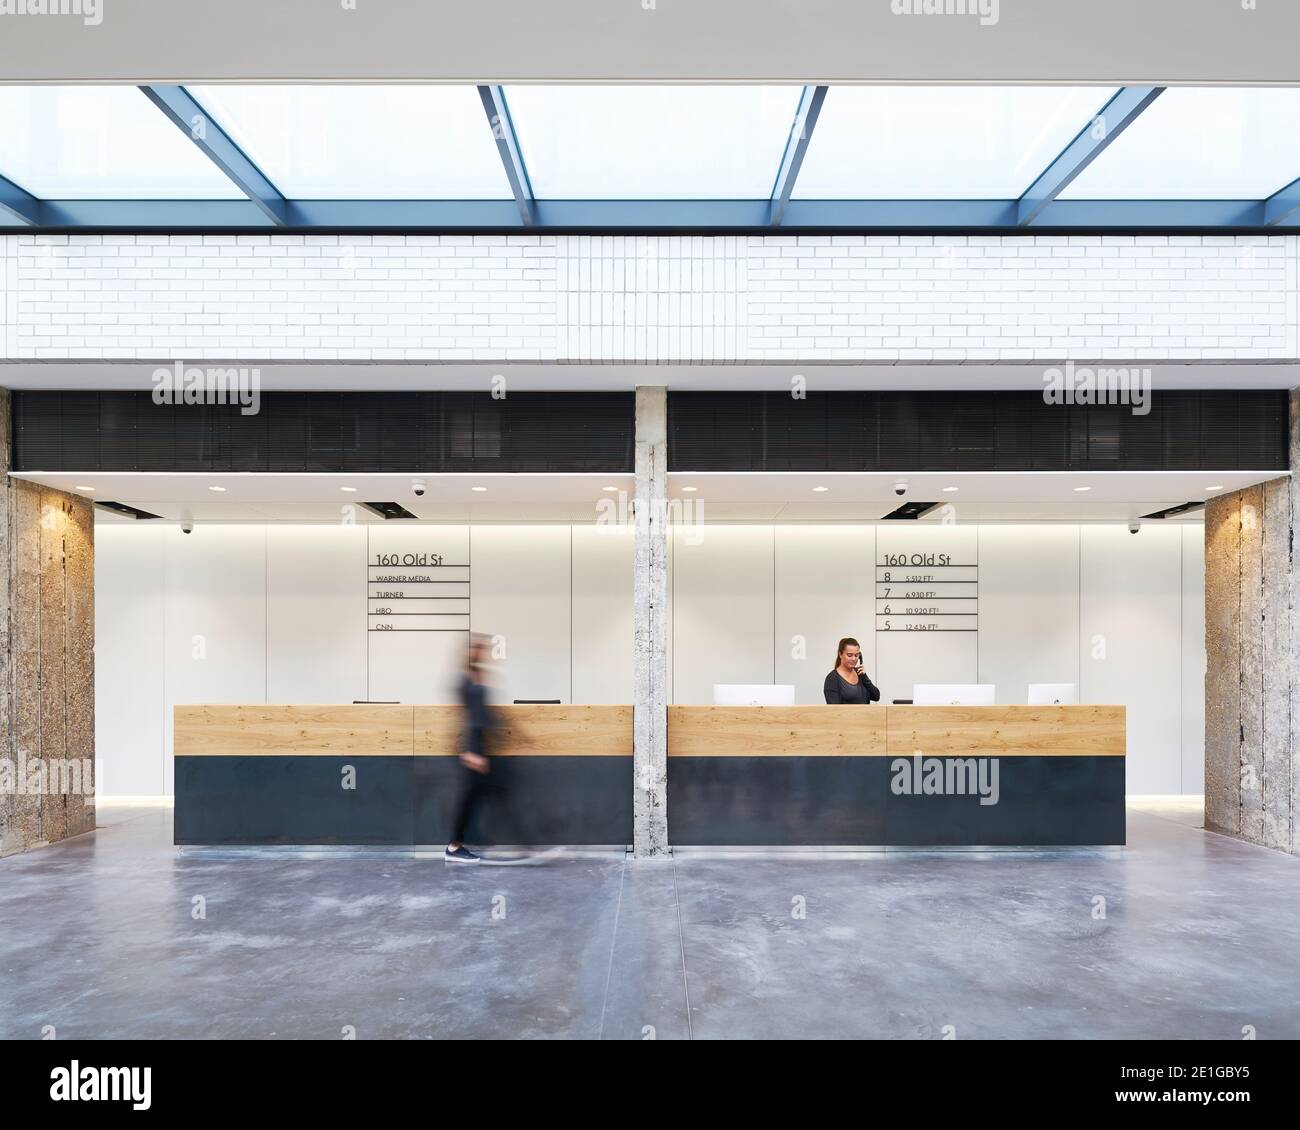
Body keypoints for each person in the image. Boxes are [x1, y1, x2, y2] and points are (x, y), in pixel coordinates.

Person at [445, 633, 497, 863]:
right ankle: (454, 848)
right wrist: (468, 753)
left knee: (475, 797)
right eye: (477, 649)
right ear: (468, 652)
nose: (481, 653)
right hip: (471, 748)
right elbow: (465, 717)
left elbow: (482, 714)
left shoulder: (477, 677)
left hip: (479, 746)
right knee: (467, 799)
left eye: (482, 649)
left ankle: (459, 844)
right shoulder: (464, 679)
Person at [823, 637, 881, 704]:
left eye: (856, 655)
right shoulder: (832, 679)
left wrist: (865, 678)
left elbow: (876, 696)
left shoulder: (860, 674)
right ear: (840, 654)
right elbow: (835, 710)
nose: (854, 659)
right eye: (849, 655)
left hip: (866, 714)